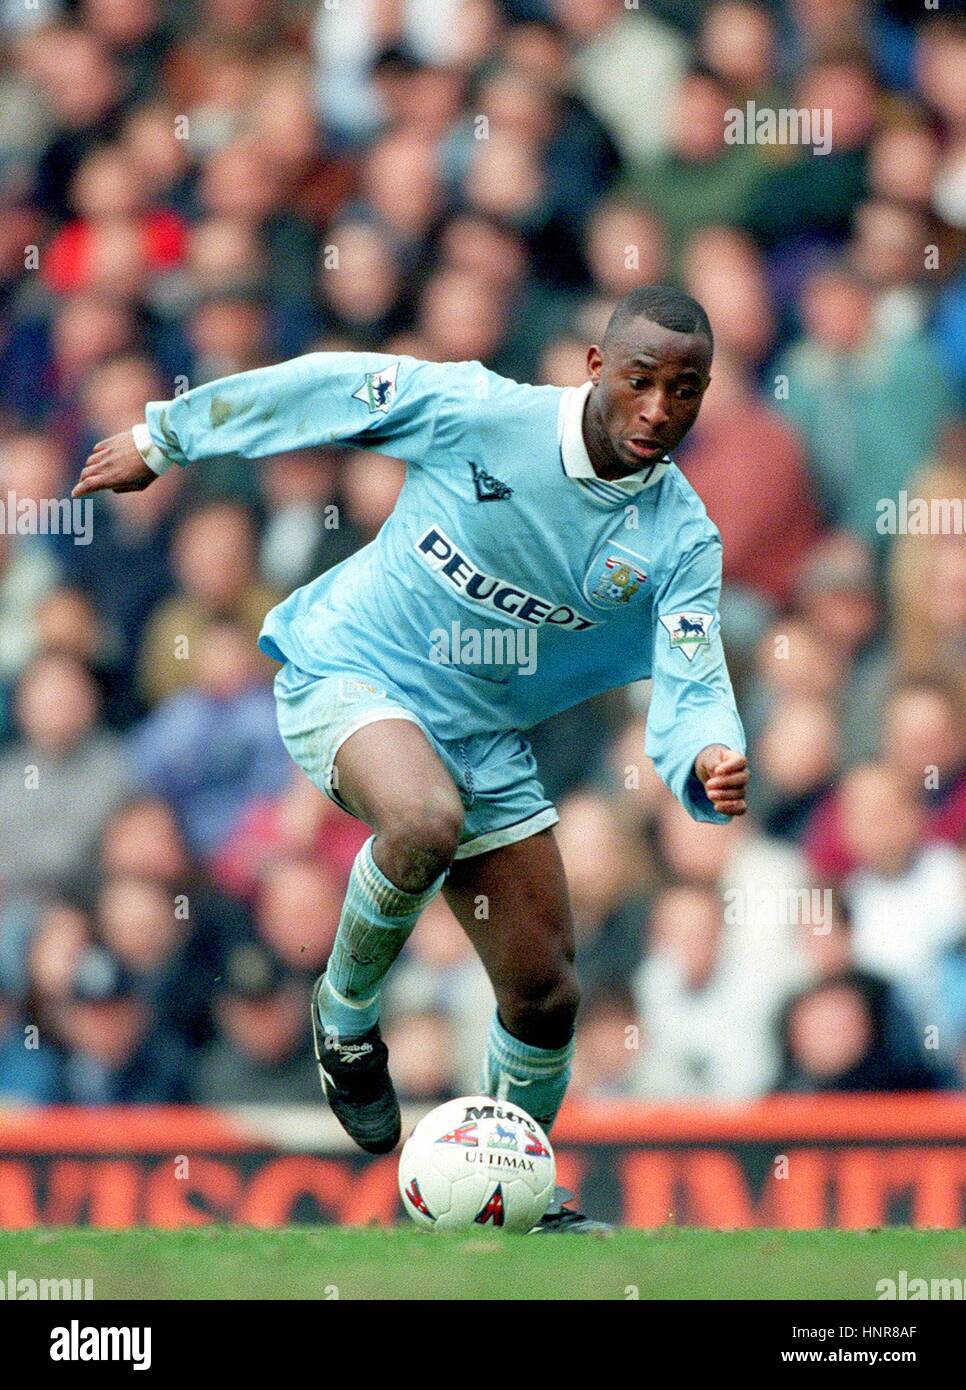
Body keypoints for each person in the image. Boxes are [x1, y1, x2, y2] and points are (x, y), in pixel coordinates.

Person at [73, 283, 750, 1232]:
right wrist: (170, 436)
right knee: (423, 817)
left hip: (480, 739)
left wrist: (709, 755)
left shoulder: (680, 537)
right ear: (595, 367)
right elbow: (329, 386)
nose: (658, 410)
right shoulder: (481, 411)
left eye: (686, 390)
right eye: (641, 381)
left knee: (548, 989)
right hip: (348, 672)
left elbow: (692, 671)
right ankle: (345, 1019)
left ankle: (516, 1194)